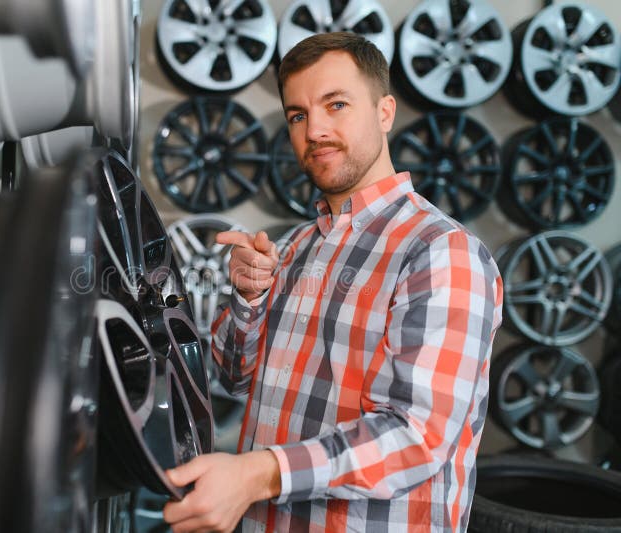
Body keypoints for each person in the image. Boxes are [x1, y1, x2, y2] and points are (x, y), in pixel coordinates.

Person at [162, 32, 503, 533]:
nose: (314, 129)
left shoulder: (441, 252)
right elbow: (235, 376)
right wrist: (248, 299)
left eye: (336, 104)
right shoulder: (298, 245)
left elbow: (414, 437)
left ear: (385, 112)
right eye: (297, 115)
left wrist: (259, 475)